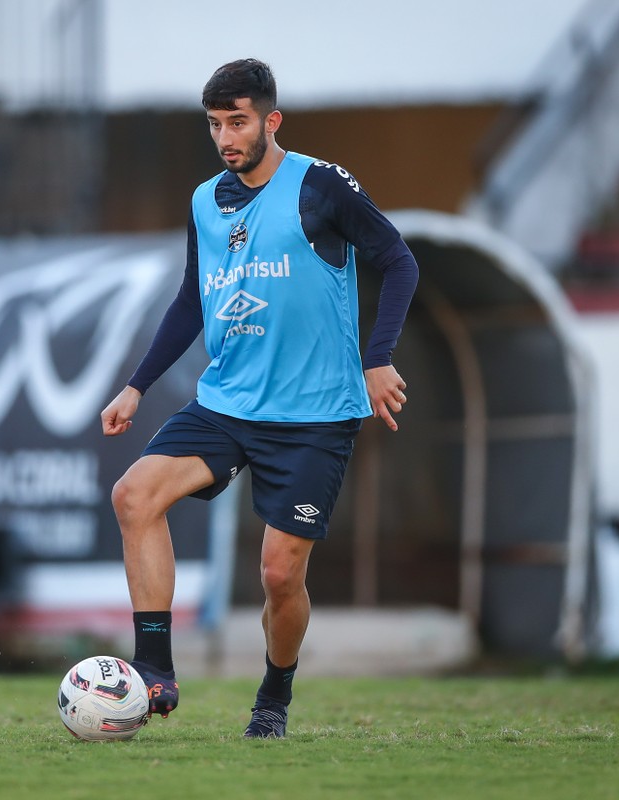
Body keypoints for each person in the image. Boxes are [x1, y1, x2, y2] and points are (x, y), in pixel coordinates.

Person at [100, 59, 418, 738]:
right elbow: (192, 300)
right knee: (134, 496)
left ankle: (274, 696)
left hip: (314, 417)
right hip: (227, 405)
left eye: (237, 122)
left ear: (271, 120)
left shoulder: (321, 187)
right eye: (214, 124)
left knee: (278, 575)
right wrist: (137, 384)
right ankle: (154, 670)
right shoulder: (202, 201)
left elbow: (398, 260)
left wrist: (378, 357)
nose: (225, 137)